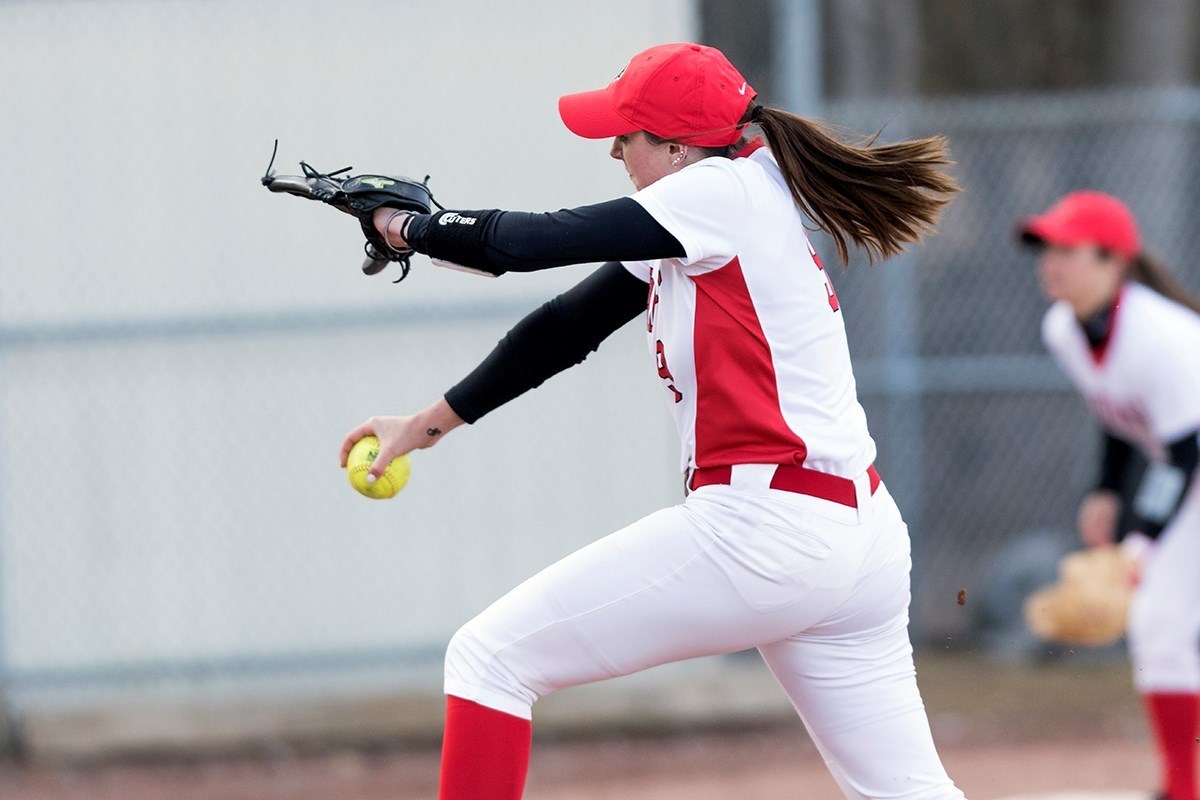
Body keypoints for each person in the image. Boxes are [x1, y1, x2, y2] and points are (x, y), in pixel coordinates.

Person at [340, 42, 963, 800]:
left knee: (490, 660)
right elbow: (566, 327)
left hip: (770, 529)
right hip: (853, 534)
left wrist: (410, 228)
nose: (613, 148)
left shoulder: (718, 195)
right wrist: (428, 423)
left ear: (676, 148)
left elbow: (527, 243)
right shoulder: (728, 196)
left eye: (627, 136)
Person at [1020, 190, 1200, 800]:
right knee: (1161, 627)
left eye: (1068, 250)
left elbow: (1183, 451)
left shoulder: (1165, 336)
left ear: (1113, 261)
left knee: (1163, 621)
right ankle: (1181, 787)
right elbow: (1118, 409)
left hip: (1189, 465)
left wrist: (1141, 542)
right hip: (1186, 473)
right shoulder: (1064, 330)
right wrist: (1105, 491)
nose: (1051, 262)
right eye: (1046, 248)